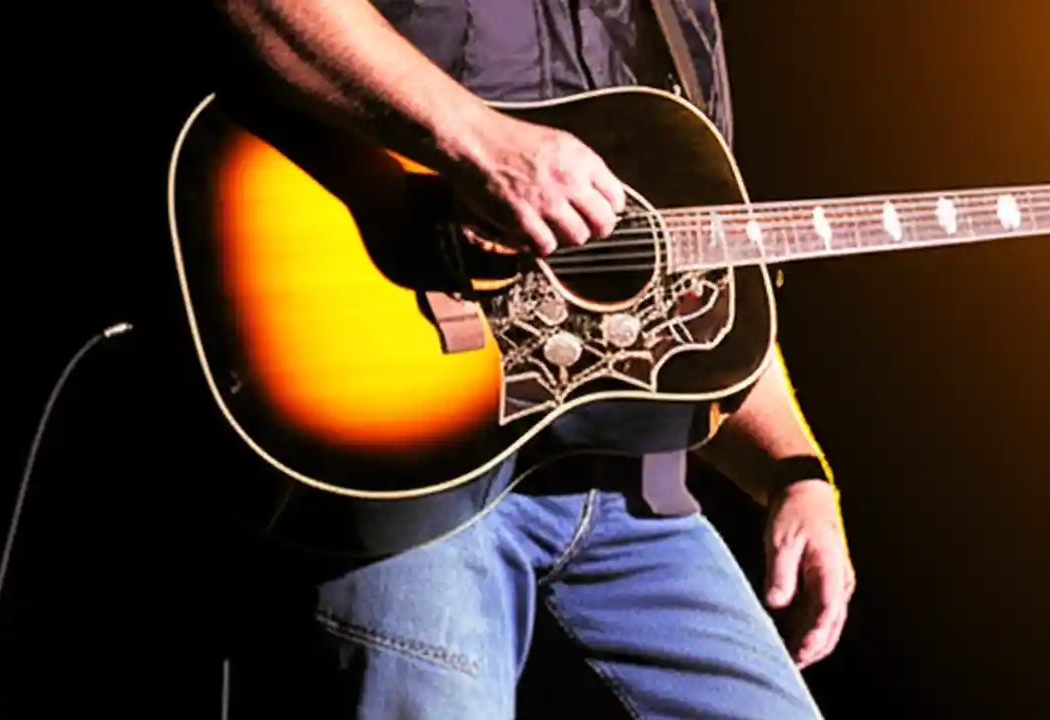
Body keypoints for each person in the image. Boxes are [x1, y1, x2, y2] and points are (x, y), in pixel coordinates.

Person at [196, 1, 856, 717]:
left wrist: (794, 469)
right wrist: (476, 141)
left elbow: (691, 273)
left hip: (634, 493)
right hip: (414, 471)